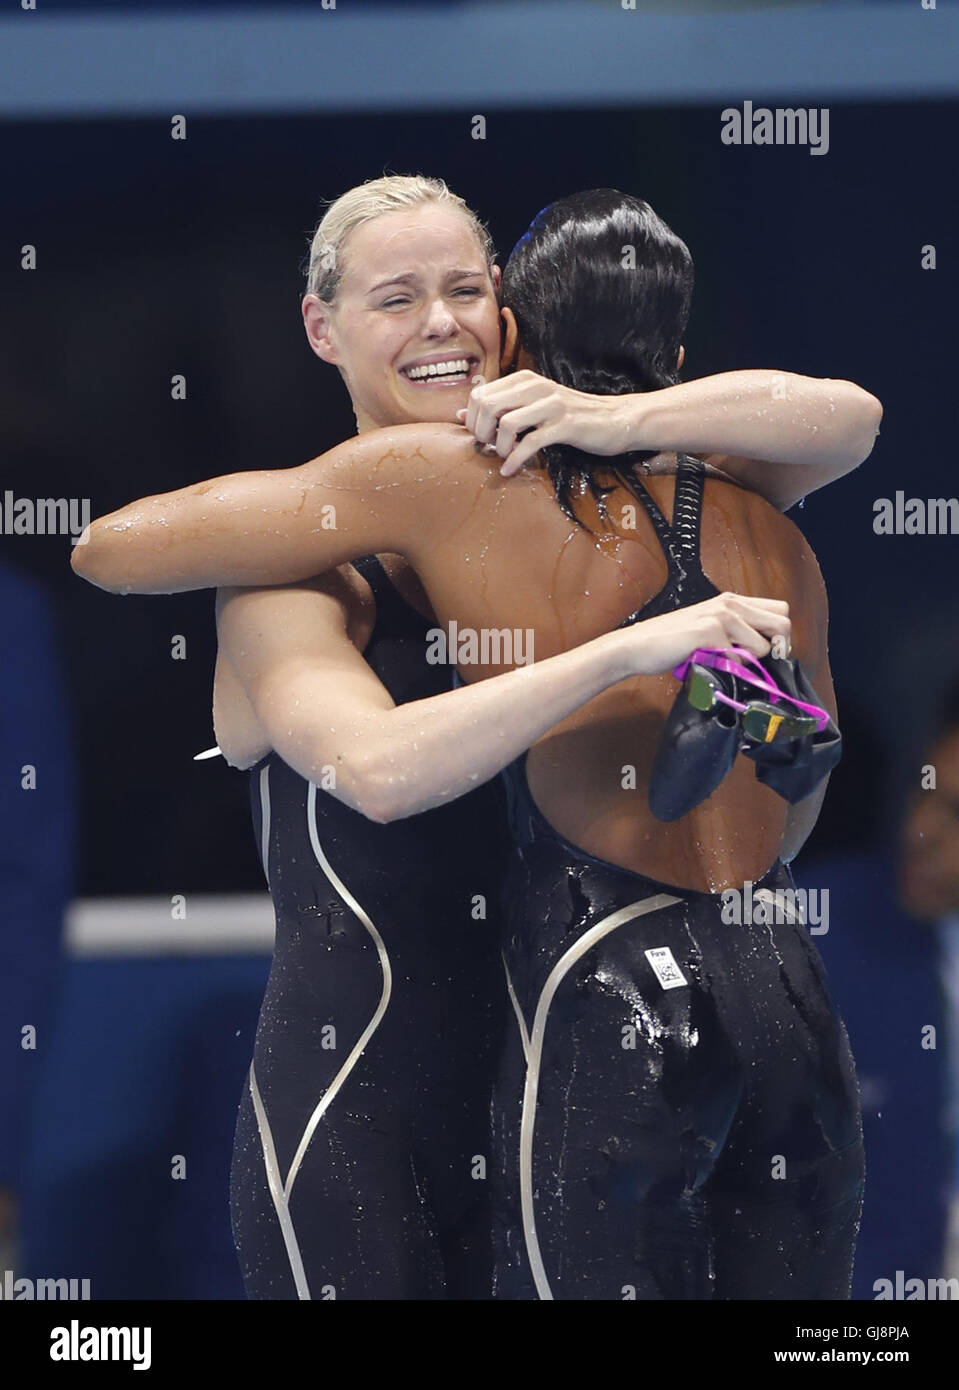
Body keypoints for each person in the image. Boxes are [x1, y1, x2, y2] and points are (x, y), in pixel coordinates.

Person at [74, 183, 881, 1299]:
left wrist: (624, 418)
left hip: (560, 1079)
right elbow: (375, 768)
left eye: (465, 291)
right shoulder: (296, 575)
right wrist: (618, 658)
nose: (441, 323)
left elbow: (842, 419)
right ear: (322, 329)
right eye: (395, 299)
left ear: (511, 319)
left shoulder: (579, 511)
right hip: (368, 1122)